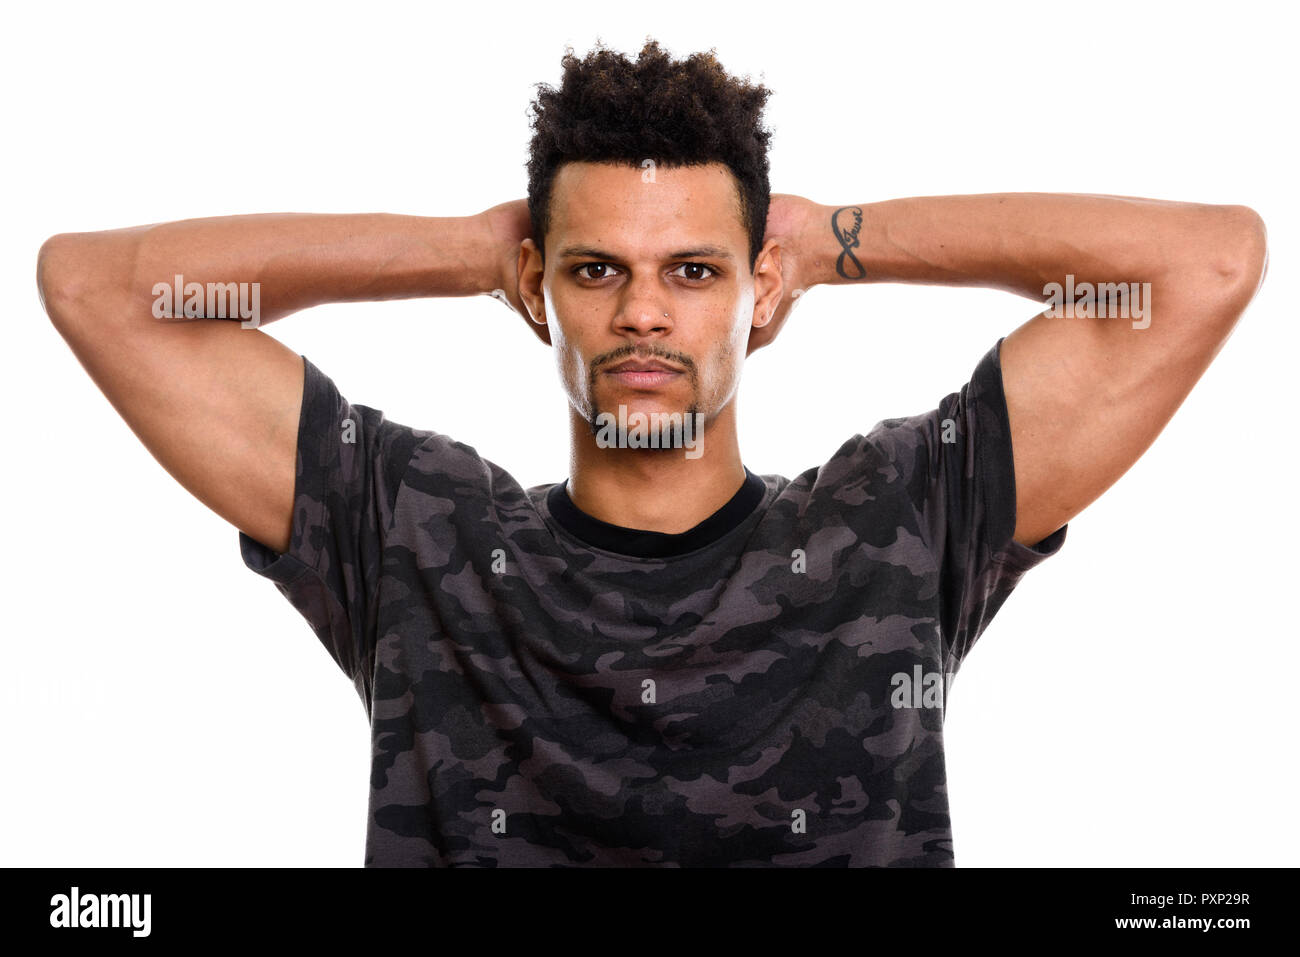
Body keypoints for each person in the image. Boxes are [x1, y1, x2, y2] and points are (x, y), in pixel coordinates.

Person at [36, 39, 1267, 866]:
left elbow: (1203, 264)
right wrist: (474, 253)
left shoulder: (897, 519)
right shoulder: (416, 532)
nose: (641, 313)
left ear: (757, 290)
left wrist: (832, 241)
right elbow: (96, 288)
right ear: (540, 287)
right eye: (594, 271)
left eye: (692, 271)